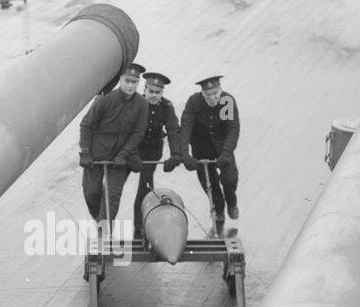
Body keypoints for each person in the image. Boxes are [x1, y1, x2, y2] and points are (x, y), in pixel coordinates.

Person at [78, 62, 149, 226]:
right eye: (127, 81)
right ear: (121, 80)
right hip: (96, 156)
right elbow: (86, 125)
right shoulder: (105, 100)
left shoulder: (142, 104)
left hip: (120, 159)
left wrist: (124, 155)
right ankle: (99, 218)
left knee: (113, 195)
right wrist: (85, 152)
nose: (130, 86)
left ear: (138, 83)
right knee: (91, 192)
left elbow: (138, 132)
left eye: (134, 82)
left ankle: (105, 228)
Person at [179, 75, 240, 236]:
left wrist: (226, 153)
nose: (213, 98)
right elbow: (185, 128)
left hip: (222, 149)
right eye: (208, 95)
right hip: (202, 149)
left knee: (230, 179)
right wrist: (185, 154)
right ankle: (219, 211)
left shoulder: (227, 101)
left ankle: (232, 201)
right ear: (203, 94)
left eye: (215, 94)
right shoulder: (194, 103)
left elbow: (233, 129)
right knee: (209, 184)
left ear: (220, 91)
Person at [131, 71, 183, 239]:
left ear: (162, 93)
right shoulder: (134, 104)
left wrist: (175, 154)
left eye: (157, 92)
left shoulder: (166, 107)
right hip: (131, 149)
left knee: (145, 187)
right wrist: (130, 155)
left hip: (152, 151)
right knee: (116, 186)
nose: (153, 95)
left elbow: (173, 130)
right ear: (144, 89)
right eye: (150, 91)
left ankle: (140, 226)